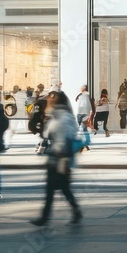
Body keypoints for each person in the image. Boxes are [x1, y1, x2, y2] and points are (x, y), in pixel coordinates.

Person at [30, 90, 83, 226]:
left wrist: (62, 158)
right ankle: (74, 211)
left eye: (49, 101)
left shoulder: (63, 117)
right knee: (62, 189)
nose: (47, 102)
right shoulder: (56, 116)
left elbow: (65, 139)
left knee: (53, 189)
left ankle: (45, 217)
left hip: (59, 159)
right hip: (56, 157)